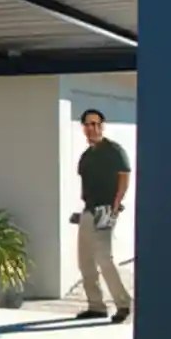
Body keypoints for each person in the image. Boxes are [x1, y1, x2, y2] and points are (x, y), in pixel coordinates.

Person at [74, 108, 133, 323]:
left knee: (103, 258)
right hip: (89, 210)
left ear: (102, 126)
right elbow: (85, 184)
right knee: (84, 261)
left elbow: (124, 177)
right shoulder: (86, 156)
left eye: (97, 124)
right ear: (84, 128)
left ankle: (124, 303)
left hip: (106, 210)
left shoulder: (113, 150)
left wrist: (116, 205)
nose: (93, 128)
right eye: (89, 125)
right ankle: (96, 306)